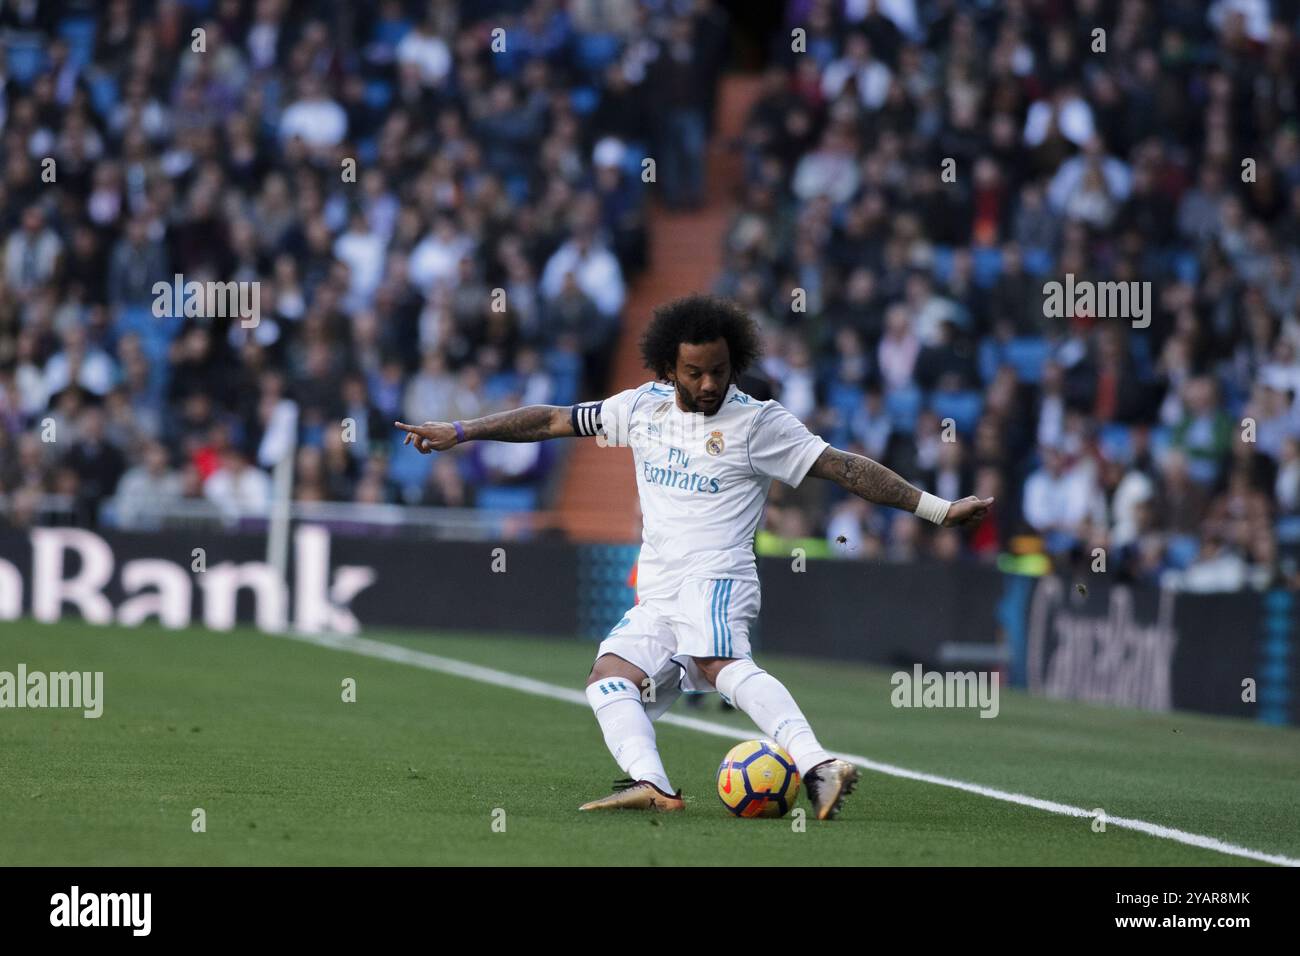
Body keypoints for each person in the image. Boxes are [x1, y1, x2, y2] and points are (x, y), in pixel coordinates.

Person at [396, 294, 993, 819]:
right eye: (694, 373)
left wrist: (937, 510)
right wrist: (462, 430)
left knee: (713, 663)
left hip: (719, 575)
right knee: (608, 681)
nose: (709, 384)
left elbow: (843, 467)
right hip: (660, 590)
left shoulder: (760, 423)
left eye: (720, 371)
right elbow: (551, 419)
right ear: (667, 369)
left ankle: (818, 765)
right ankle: (652, 784)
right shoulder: (640, 409)